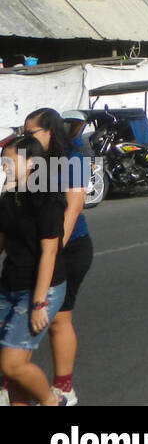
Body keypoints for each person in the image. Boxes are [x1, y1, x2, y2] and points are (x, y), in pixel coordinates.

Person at [21, 110, 90, 406]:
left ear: (49, 131)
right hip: (41, 248)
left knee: (59, 319)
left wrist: (51, 252)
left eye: (31, 132)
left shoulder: (73, 160)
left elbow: (72, 211)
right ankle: (15, 383)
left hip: (68, 248)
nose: (26, 138)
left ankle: (63, 388)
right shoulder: (32, 159)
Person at [0, 131, 68, 406]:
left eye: (9, 162)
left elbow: (50, 252)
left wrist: (39, 302)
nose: (4, 168)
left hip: (41, 289)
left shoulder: (46, 200)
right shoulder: (8, 197)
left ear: (30, 164)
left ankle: (52, 402)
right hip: (9, 285)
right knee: (10, 367)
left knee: (12, 363)